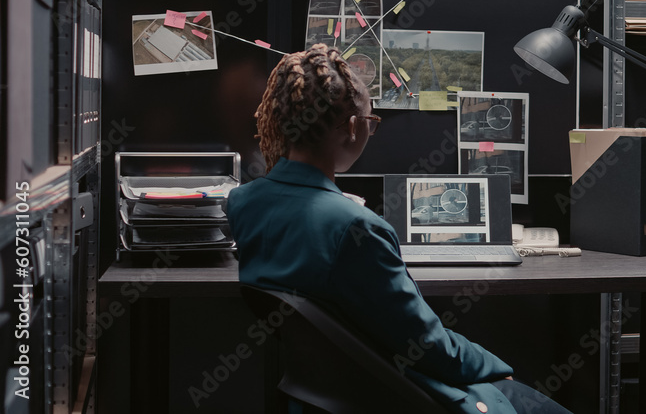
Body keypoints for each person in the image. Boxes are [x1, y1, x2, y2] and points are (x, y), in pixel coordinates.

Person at [228, 43, 573, 414]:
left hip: (320, 396)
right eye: (371, 122)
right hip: (398, 395)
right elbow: (428, 345)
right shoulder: (357, 228)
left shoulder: (243, 203)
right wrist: (498, 369)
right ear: (351, 128)